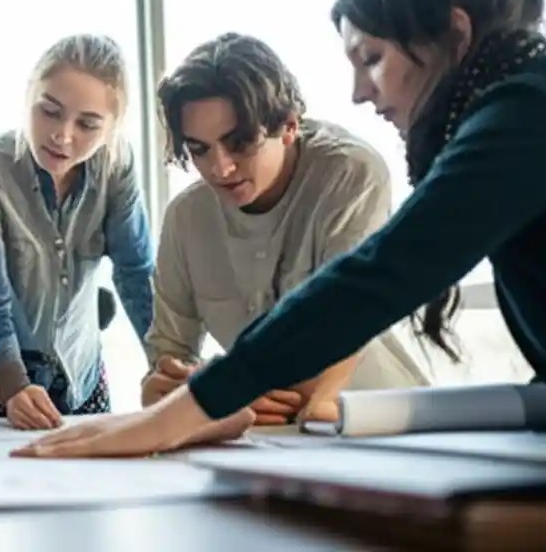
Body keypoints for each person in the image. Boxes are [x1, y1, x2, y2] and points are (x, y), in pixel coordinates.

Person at [14, 0, 546, 458]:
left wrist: (171, 417)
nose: (360, 92)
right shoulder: (538, 100)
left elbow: (380, 275)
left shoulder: (533, 111)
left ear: (455, 33)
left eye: (373, 58)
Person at [142, 32, 429, 424]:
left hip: (379, 423)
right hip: (260, 442)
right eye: (199, 149)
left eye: (240, 142)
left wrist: (223, 391)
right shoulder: (186, 218)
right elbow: (166, 362)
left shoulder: (349, 173)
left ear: (290, 125)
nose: (220, 169)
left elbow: (345, 320)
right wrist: (169, 386)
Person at [0, 33, 155, 429]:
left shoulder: (117, 166)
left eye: (88, 124)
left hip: (80, 373)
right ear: (29, 95)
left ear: (113, 128)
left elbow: (136, 272)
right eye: (49, 111)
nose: (63, 135)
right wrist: (14, 389)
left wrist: (167, 368)